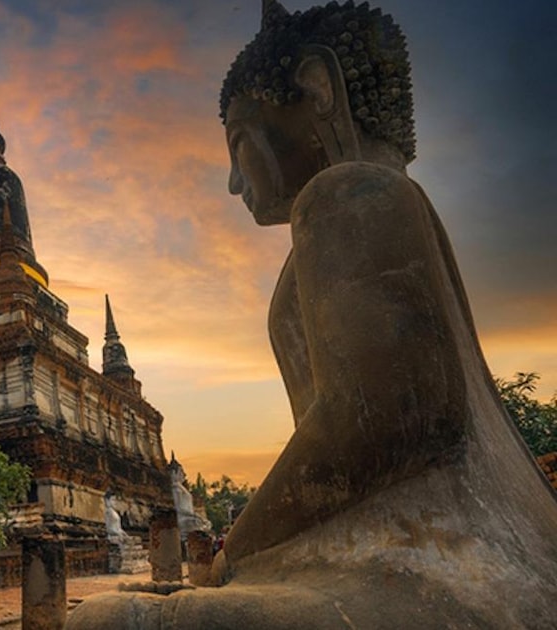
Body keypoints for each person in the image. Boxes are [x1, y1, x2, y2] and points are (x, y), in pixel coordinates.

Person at [67, 1, 557, 627]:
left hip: (436, 572)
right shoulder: (396, 204)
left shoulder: (345, 193)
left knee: (105, 621)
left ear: (316, 89)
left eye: (239, 143)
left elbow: (393, 419)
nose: (233, 182)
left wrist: (236, 547)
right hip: (452, 557)